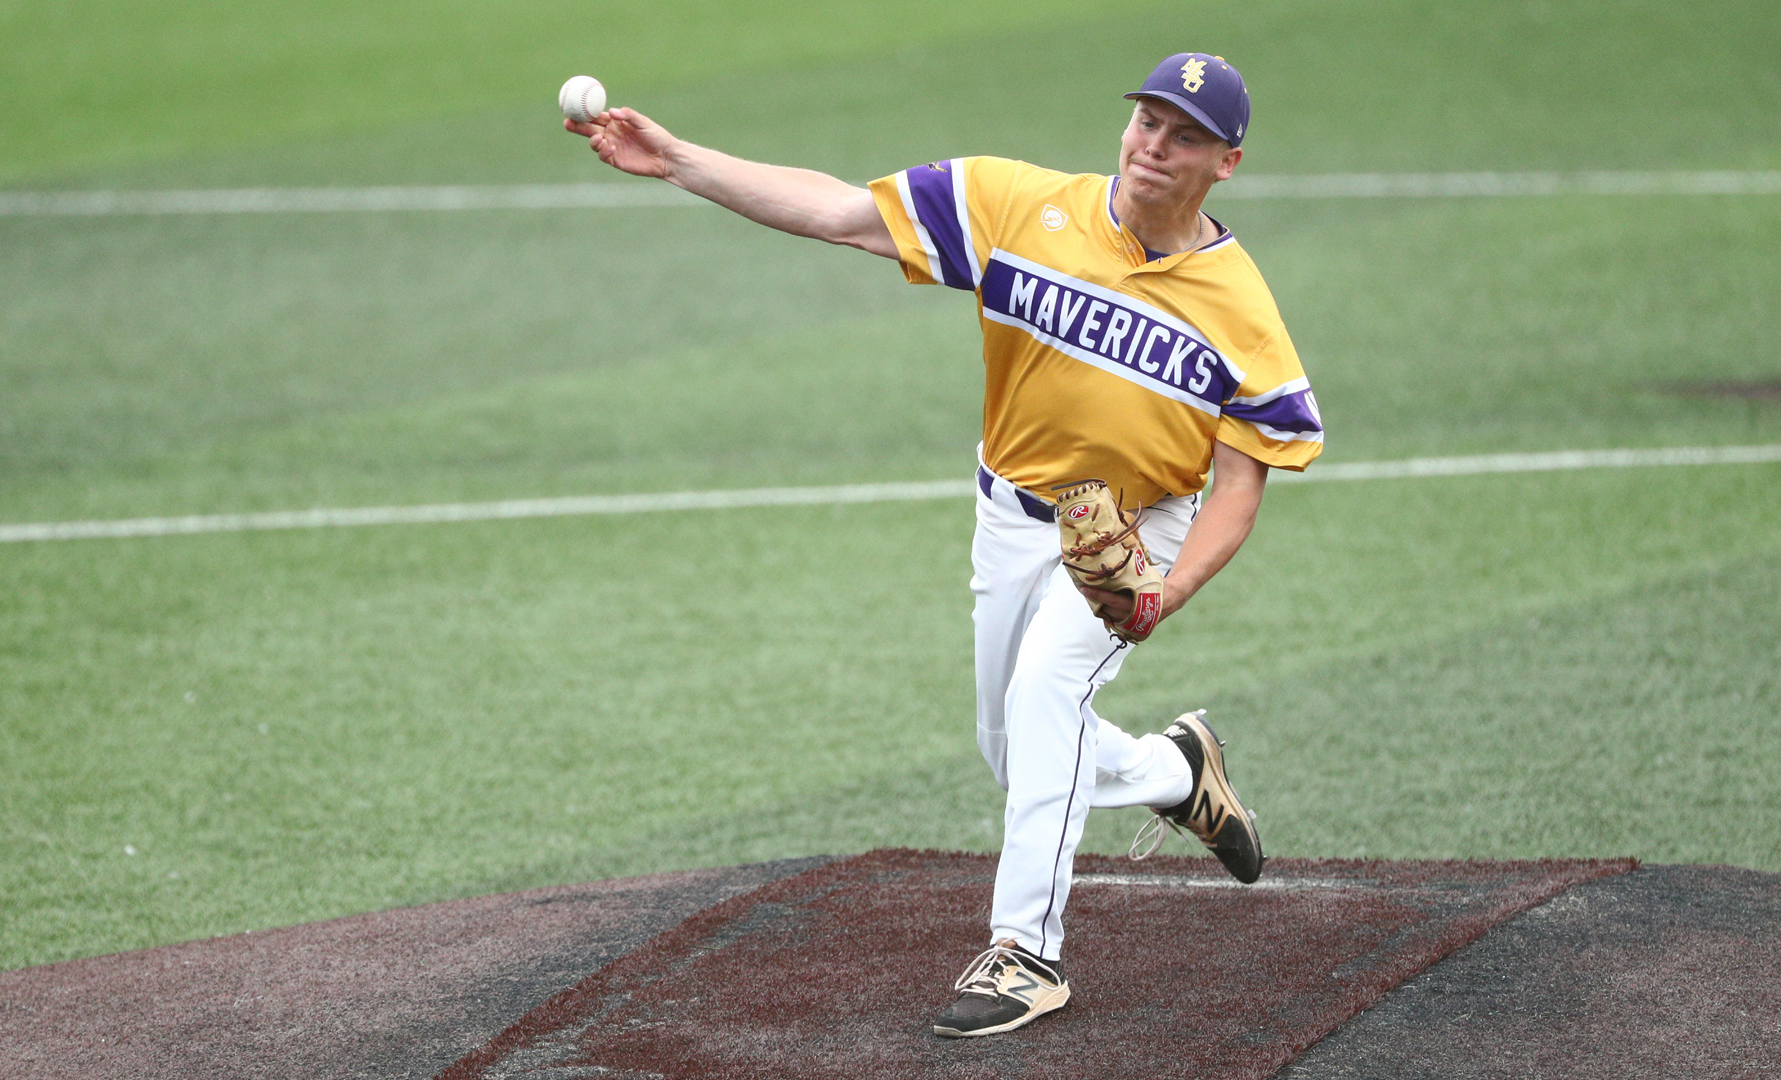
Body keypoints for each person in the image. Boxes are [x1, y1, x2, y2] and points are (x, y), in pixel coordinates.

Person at [565, 51, 1323, 1037]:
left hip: (1130, 534)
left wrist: (1164, 590)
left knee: (1050, 692)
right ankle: (1179, 773)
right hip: (1009, 517)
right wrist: (678, 161)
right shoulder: (1015, 205)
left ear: (1226, 161)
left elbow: (1239, 484)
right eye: (1146, 122)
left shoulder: (1242, 309)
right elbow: (839, 212)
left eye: (1183, 135)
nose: (1153, 146)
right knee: (1015, 752)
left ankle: (1026, 955)